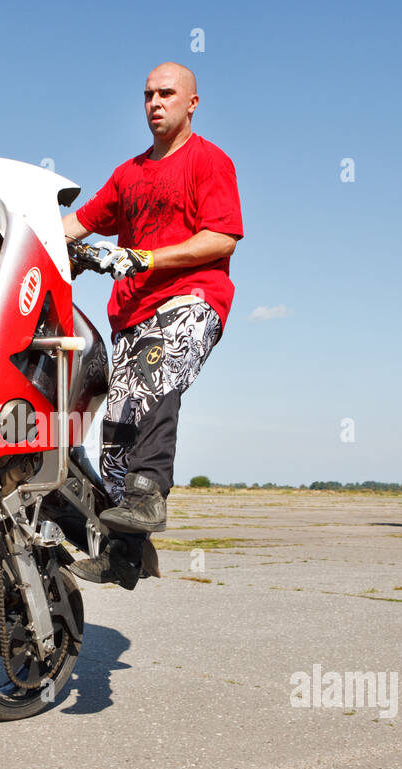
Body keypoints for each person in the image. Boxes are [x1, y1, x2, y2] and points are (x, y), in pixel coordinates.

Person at [62, 61, 243, 589]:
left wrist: (144, 258)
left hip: (191, 301)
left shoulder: (209, 162)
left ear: (192, 103)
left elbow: (221, 238)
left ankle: (149, 496)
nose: (155, 103)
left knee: (152, 376)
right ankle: (126, 555)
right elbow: (78, 224)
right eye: (147, 95)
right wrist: (20, 238)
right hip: (134, 317)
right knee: (115, 438)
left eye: (167, 93)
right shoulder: (129, 174)